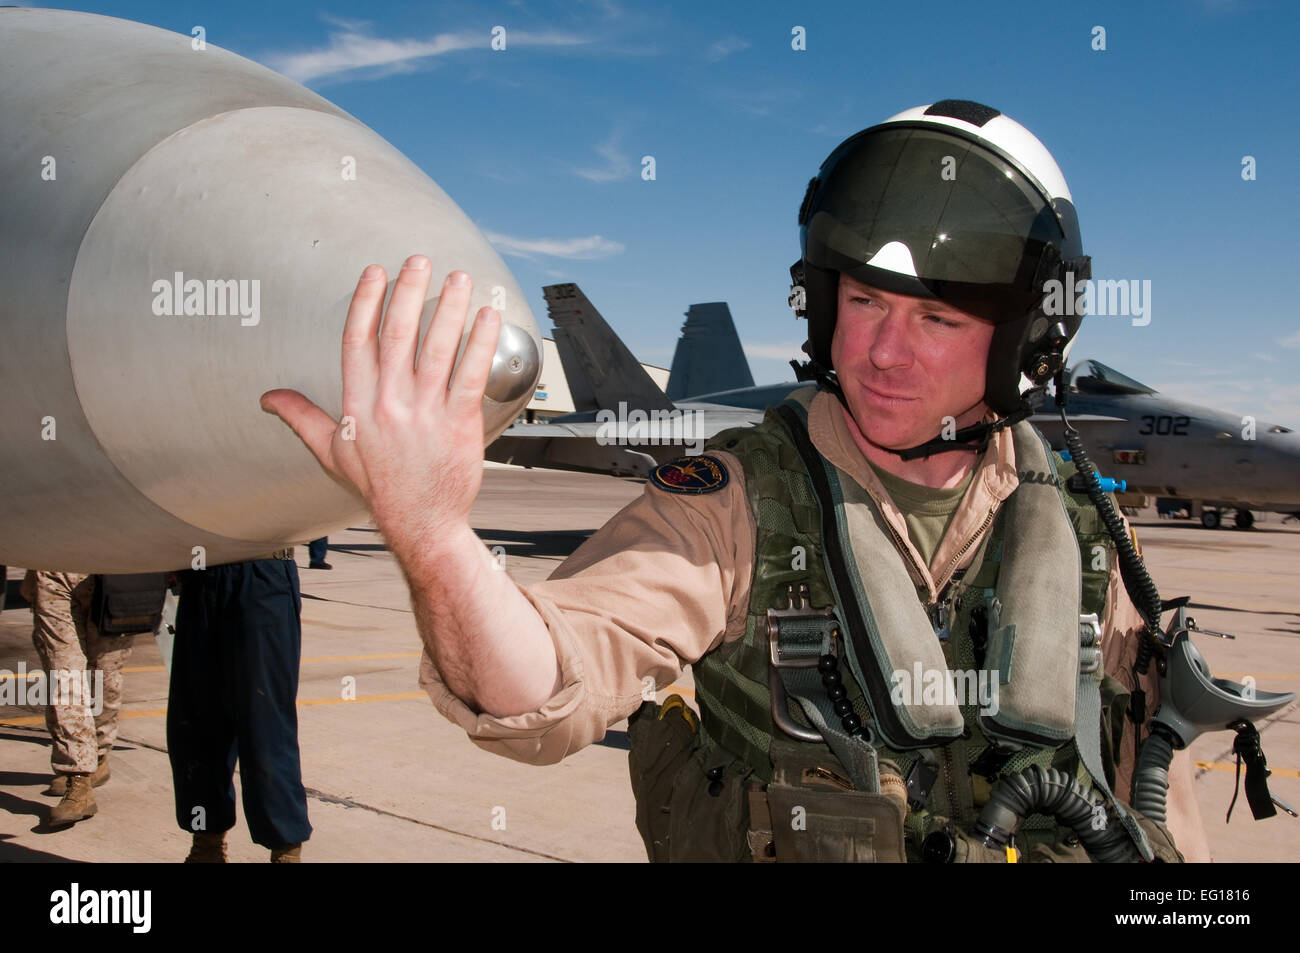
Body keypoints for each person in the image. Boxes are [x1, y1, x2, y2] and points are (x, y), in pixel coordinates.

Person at [262, 100, 1210, 862]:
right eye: (866, 303)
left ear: (1022, 344)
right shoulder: (733, 502)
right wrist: (434, 539)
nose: (883, 352)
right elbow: (543, 688)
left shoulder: (1084, 537)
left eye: (936, 321)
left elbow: (1159, 804)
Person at [166, 552, 311, 862]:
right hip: (201, 576)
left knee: (265, 725)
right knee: (196, 723)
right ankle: (207, 844)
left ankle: (285, 850)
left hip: (262, 571)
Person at [27, 570, 134, 828]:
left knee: (106, 678)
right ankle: (78, 780)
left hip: (118, 570)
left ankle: (97, 755)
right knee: (63, 675)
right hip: (53, 570)